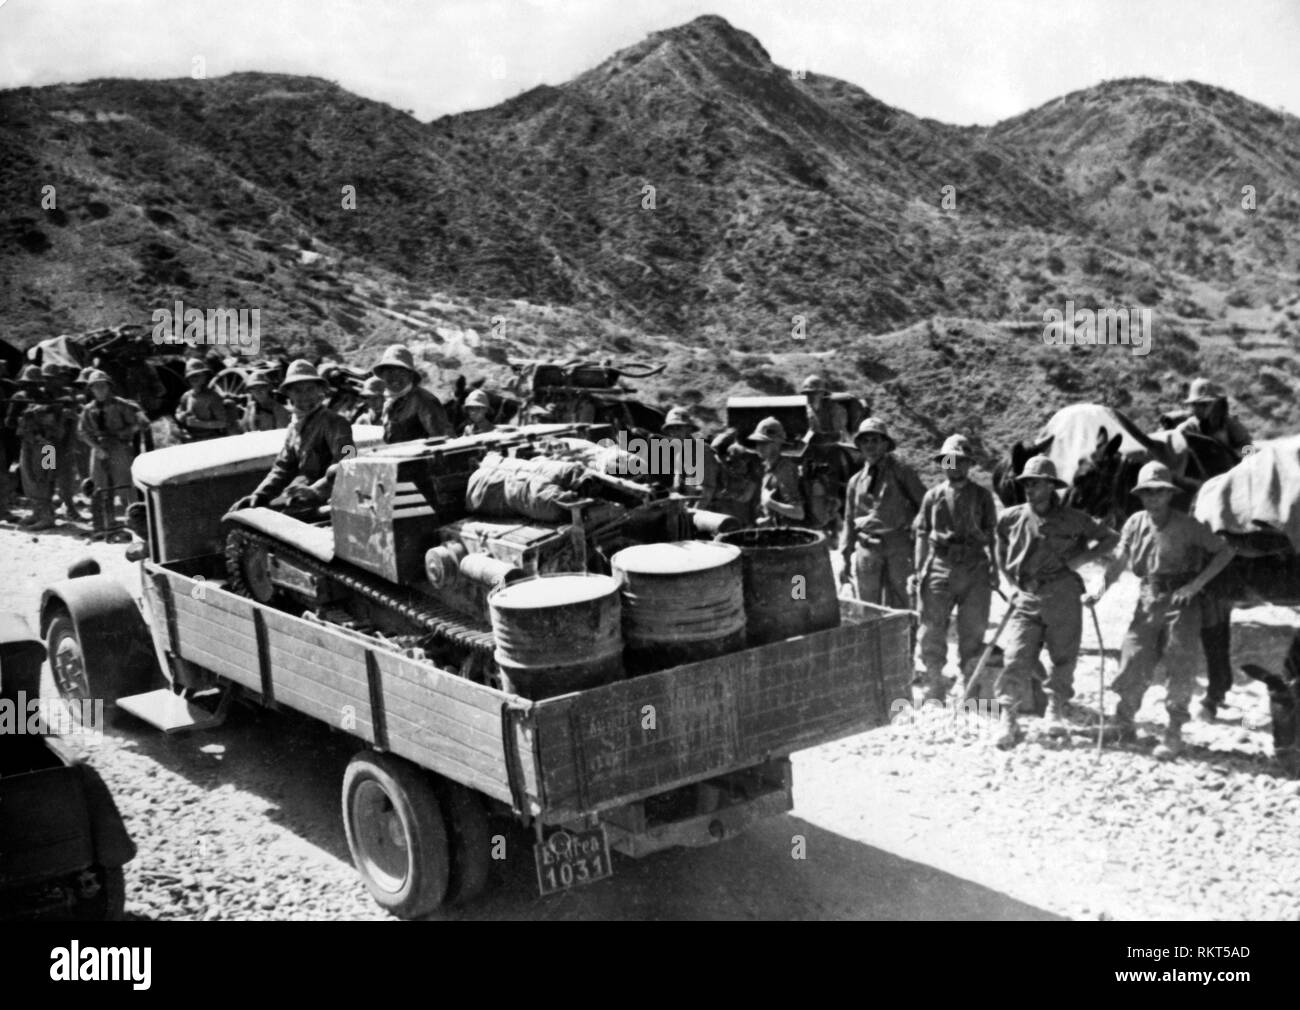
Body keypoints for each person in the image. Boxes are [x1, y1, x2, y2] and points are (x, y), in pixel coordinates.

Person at [1083, 462, 1237, 759]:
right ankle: (1123, 722)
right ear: (1140, 496)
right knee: (1133, 657)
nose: (1153, 498)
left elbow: (1225, 550)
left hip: (1181, 604)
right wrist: (1098, 591)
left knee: (1180, 664)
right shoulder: (1135, 523)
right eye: (1147, 493)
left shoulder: (1187, 525)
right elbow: (1118, 562)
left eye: (1159, 492)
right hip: (1147, 598)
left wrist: (1194, 585)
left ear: (1169, 494)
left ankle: (1174, 732)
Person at [993, 455, 1120, 749]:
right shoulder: (1010, 517)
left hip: (1063, 594)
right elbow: (999, 545)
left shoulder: (1074, 518)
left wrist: (1082, 559)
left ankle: (1055, 710)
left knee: (1063, 657)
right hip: (1026, 596)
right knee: (1015, 655)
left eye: (1035, 484)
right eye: (1026, 483)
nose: (1029, 489)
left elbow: (1110, 538)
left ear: (1051, 486)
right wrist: (1010, 582)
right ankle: (1008, 716)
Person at [912, 434, 998, 702]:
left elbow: (993, 534)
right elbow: (922, 533)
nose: (953, 465)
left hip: (975, 566)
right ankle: (935, 681)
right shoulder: (933, 496)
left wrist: (995, 568)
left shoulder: (983, 497)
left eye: (959, 461)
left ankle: (967, 682)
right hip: (941, 564)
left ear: (968, 464)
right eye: (948, 460)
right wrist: (918, 571)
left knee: (973, 627)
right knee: (933, 626)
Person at [230, 360, 354, 512]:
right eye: (297, 390)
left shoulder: (335, 422)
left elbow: (349, 460)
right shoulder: (294, 427)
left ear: (319, 391)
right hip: (303, 494)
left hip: (331, 498)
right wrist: (260, 494)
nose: (304, 396)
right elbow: (282, 468)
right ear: (288, 394)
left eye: (310, 389)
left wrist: (317, 490)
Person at [838, 418, 925, 609]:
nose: (870, 446)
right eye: (865, 441)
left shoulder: (902, 471)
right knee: (868, 608)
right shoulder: (855, 481)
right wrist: (844, 557)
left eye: (875, 440)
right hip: (867, 551)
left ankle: (907, 639)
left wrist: (917, 535)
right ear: (859, 445)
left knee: (902, 607)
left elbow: (925, 505)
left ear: (886, 444)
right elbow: (848, 521)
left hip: (898, 549)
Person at [78, 369, 141, 533]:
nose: (100, 390)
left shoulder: (121, 405)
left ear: (109, 387)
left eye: (103, 386)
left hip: (119, 447)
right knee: (99, 486)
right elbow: (82, 432)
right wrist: (96, 448)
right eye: (95, 387)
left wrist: (125, 433)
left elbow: (136, 423)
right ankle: (104, 524)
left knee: (125, 484)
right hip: (98, 448)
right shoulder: (88, 409)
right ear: (90, 389)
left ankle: (135, 522)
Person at [15, 366, 63, 530]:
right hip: (29, 443)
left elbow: (52, 427)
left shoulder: (47, 401)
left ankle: (47, 517)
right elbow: (16, 424)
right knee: (29, 478)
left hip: (45, 445)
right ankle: (37, 513)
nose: (32, 388)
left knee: (45, 478)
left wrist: (38, 412)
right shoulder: (23, 400)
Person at [372, 344, 451, 443]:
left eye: (401, 372)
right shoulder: (388, 403)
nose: (395, 378)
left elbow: (445, 440)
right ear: (382, 375)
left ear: (410, 375)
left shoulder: (423, 400)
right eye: (390, 372)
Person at [42, 362, 84, 521]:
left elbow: (77, 412)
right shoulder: (42, 396)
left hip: (65, 442)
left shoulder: (68, 393)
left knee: (65, 477)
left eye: (58, 378)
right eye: (50, 379)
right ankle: (48, 510)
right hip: (48, 443)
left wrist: (71, 411)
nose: (54, 382)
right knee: (48, 475)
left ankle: (69, 508)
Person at [1175, 378, 1254, 463]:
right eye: (1199, 404)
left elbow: (1249, 449)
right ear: (1193, 405)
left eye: (1207, 403)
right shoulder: (1186, 428)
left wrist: (1231, 453)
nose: (1204, 408)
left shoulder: (1227, 423)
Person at [749, 417, 804, 527]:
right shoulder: (769, 467)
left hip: (790, 536)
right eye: (757, 442)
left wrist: (769, 502)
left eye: (764, 443)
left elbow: (798, 513)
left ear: (777, 444)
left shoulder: (784, 470)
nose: (759, 447)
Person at [660, 406, 718, 507]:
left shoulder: (702, 451)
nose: (674, 432)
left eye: (678, 428)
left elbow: (707, 490)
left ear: (689, 429)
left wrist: (692, 514)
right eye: (670, 429)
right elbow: (677, 485)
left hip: (711, 508)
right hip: (689, 504)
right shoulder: (679, 452)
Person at [707, 429, 761, 526]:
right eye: (730, 463)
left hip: (744, 520)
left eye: (736, 462)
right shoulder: (724, 471)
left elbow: (745, 497)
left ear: (746, 461)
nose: (732, 466)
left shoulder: (753, 477)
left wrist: (730, 495)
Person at [175, 360, 231, 441]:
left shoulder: (212, 397)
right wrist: (182, 416)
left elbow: (222, 423)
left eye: (197, 375)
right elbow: (178, 412)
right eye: (191, 376)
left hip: (211, 438)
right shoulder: (186, 396)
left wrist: (199, 423)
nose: (194, 379)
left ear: (204, 377)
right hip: (191, 438)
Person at [801, 374, 849, 444]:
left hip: (833, 445)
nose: (810, 396)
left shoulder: (835, 410)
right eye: (807, 393)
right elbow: (808, 432)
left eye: (814, 393)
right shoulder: (805, 410)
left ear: (822, 394)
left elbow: (841, 435)